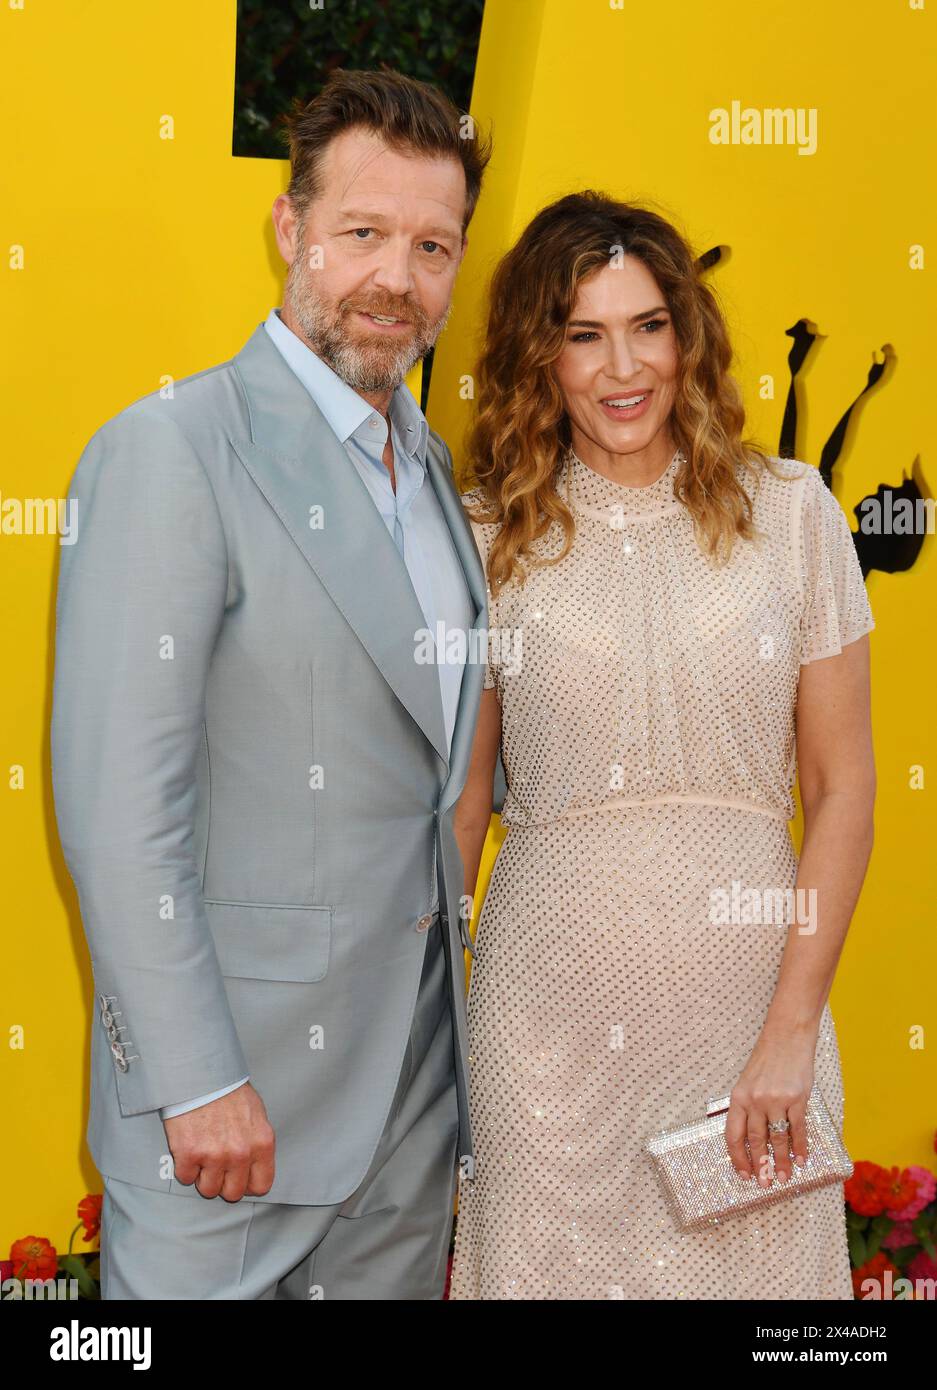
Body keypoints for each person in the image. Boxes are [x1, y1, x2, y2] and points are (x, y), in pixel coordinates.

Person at [50, 68, 491, 1300]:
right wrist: (194, 1079)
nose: (396, 279)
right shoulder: (173, 450)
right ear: (289, 228)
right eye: (362, 233)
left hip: (406, 1103)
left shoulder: (436, 473)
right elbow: (118, 805)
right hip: (231, 1117)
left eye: (431, 246)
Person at [450, 192, 875, 1299]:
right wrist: (421, 1032)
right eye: (581, 334)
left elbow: (840, 787)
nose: (620, 366)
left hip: (748, 1022)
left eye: (646, 325)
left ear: (688, 333)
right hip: (542, 1035)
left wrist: (791, 1029)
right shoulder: (488, 533)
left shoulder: (791, 514)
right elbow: (458, 805)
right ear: (537, 357)